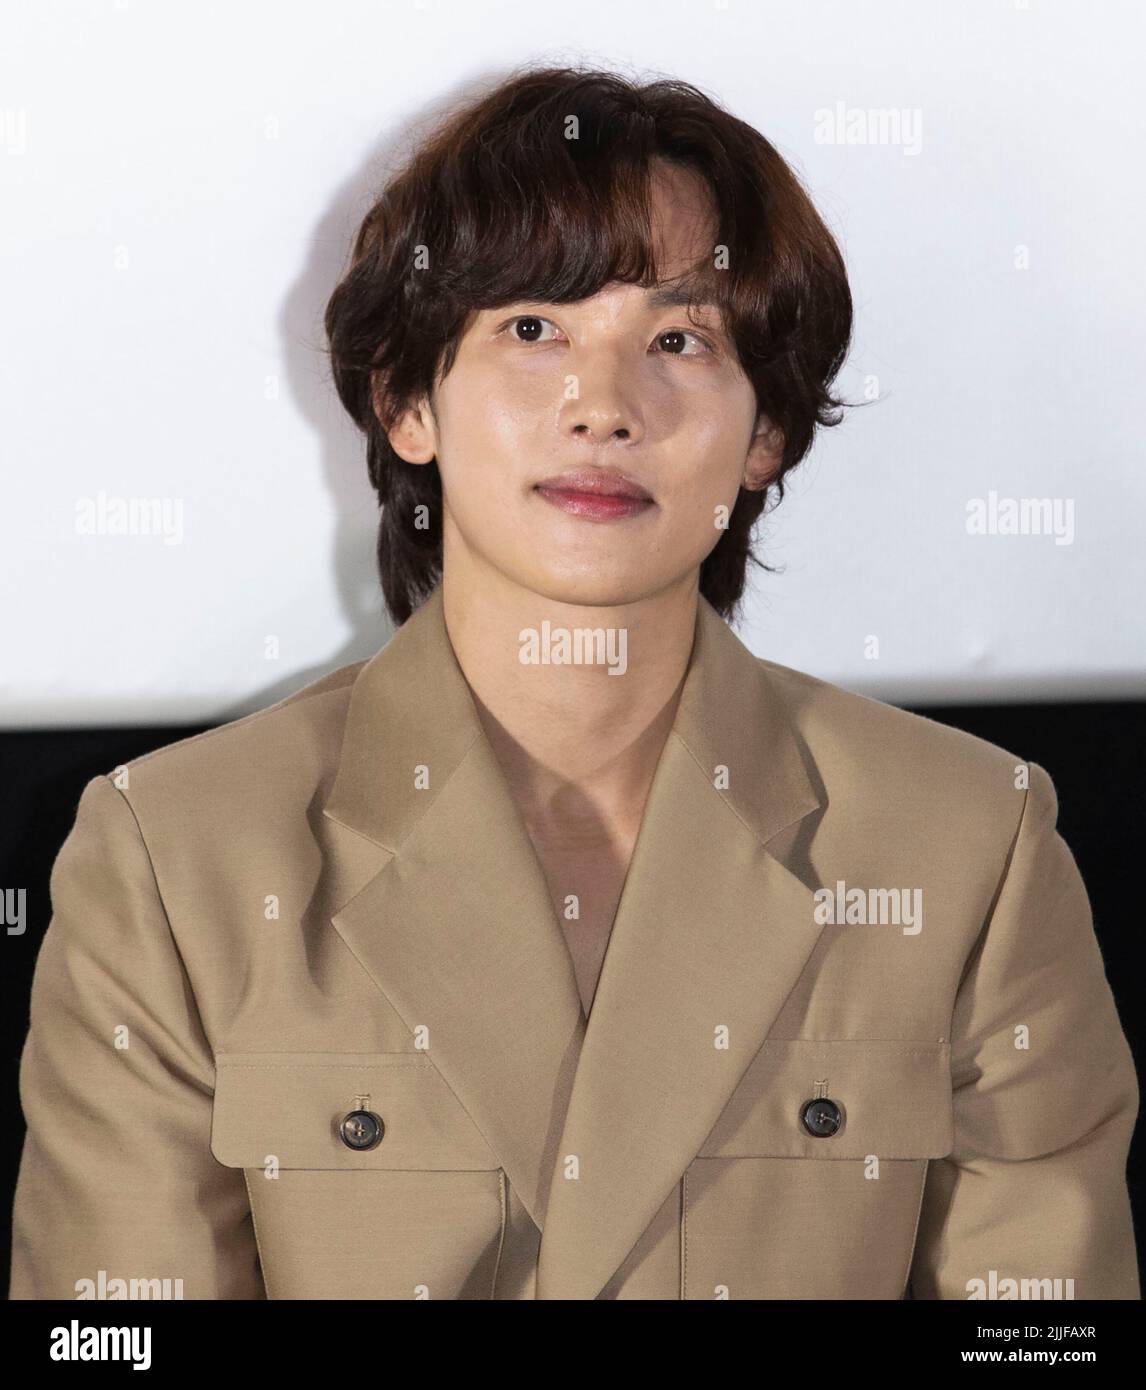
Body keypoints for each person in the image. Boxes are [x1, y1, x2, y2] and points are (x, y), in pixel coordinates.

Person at [10, 65, 1138, 1301]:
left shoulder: (969, 843)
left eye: (678, 340)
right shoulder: (176, 859)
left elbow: (1045, 1330)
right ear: (406, 401)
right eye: (534, 328)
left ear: (765, 430)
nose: (602, 407)